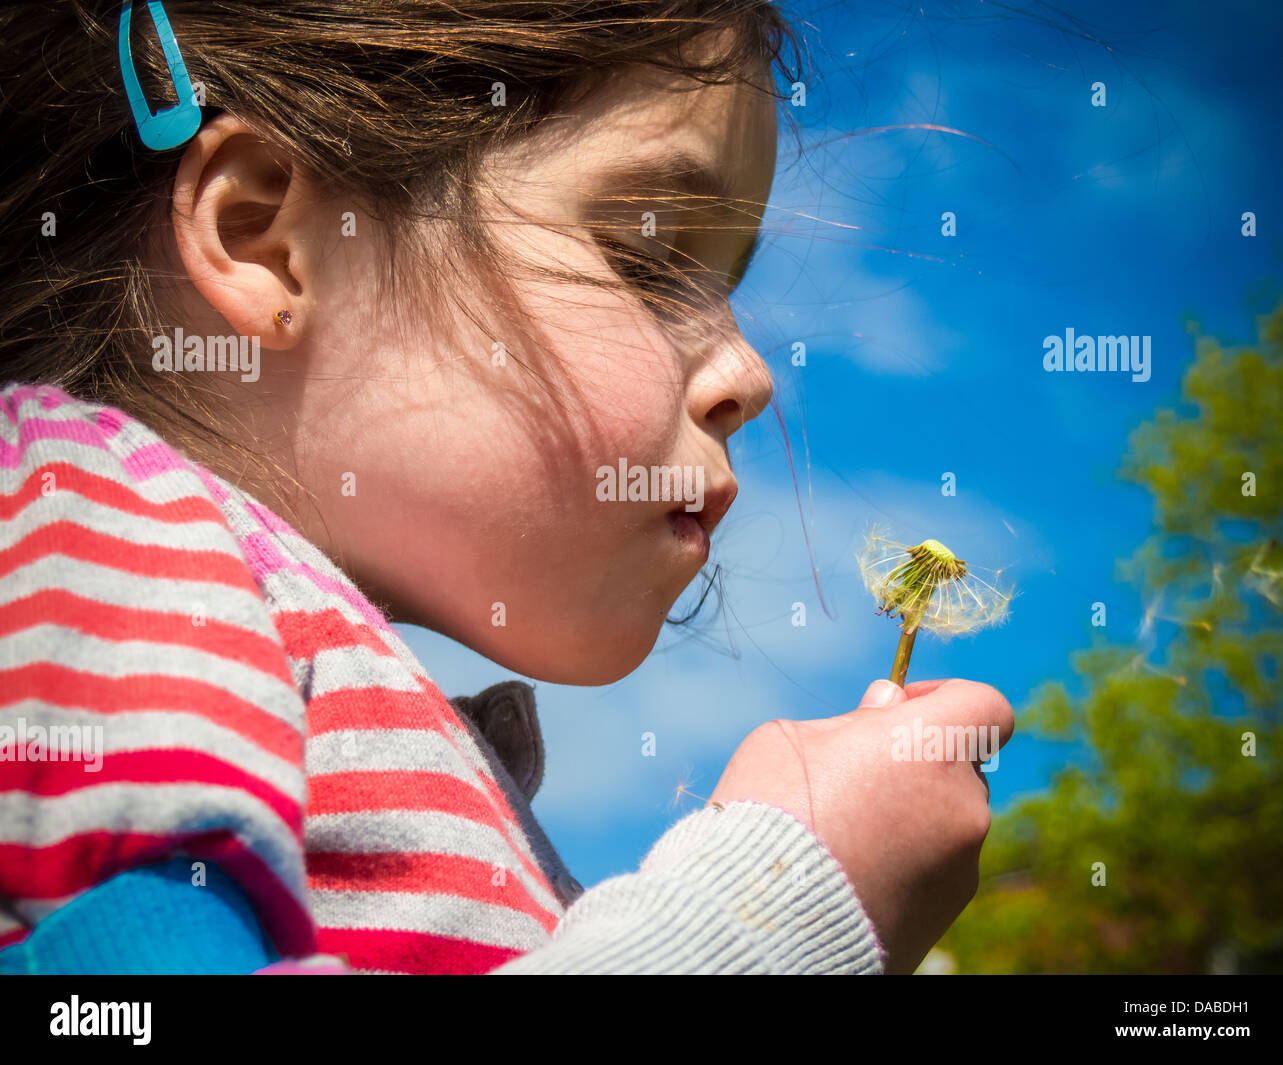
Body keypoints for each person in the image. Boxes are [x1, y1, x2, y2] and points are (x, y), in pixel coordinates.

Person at [0, 0, 1013, 975]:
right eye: (648, 255)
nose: (750, 376)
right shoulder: (89, 529)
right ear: (266, 236)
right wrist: (768, 918)